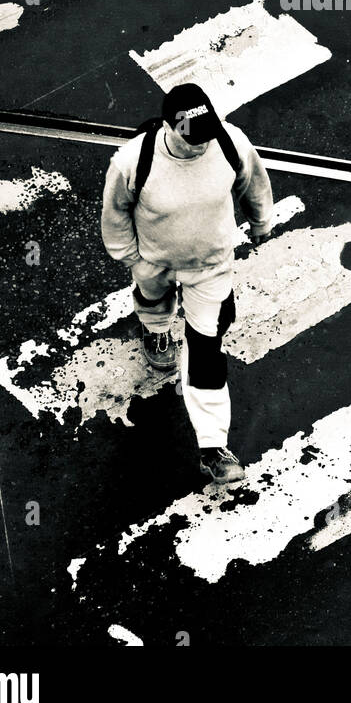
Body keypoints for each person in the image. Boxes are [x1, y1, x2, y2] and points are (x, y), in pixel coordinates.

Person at [101, 82, 273, 485]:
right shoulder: (133, 160)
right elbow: (115, 213)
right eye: (191, 138)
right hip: (156, 262)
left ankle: (213, 448)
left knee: (206, 349)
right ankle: (156, 331)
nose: (200, 146)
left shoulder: (230, 142)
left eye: (205, 136)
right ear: (168, 127)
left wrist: (262, 221)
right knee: (154, 303)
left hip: (210, 267)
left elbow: (253, 182)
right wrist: (133, 261)